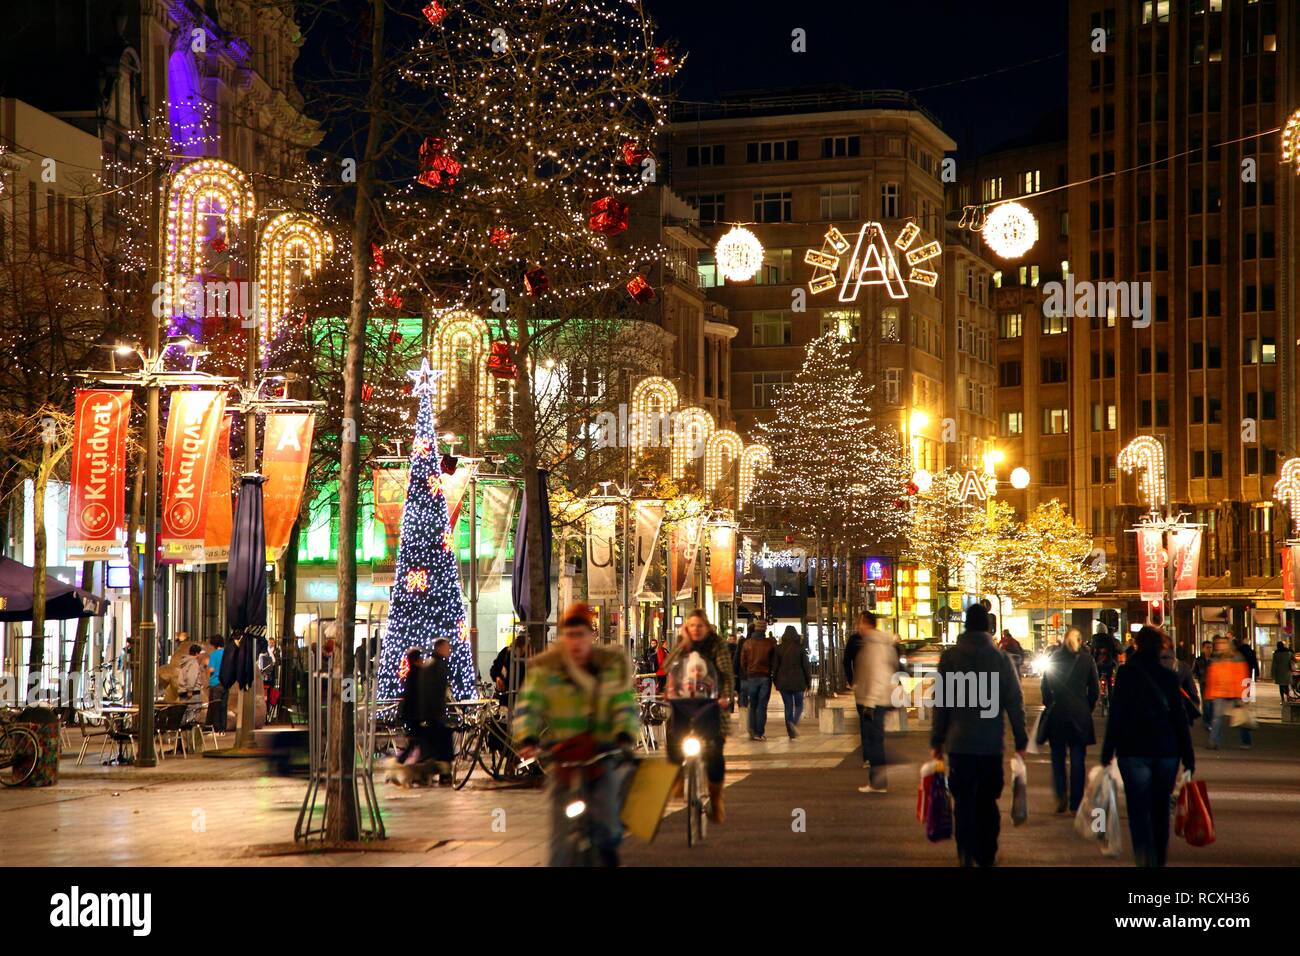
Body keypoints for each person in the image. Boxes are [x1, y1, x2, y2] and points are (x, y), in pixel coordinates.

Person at [514, 602, 638, 867]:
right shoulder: (547, 671)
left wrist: (624, 735)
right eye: (569, 635)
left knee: (608, 827)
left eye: (580, 635)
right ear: (562, 638)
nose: (575, 643)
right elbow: (529, 706)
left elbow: (624, 703)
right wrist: (528, 738)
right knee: (560, 839)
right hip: (565, 759)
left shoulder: (609, 667)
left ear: (590, 637)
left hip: (601, 756)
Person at [930, 603, 1027, 867]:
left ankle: (965, 850)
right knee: (987, 801)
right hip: (990, 745)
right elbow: (1014, 700)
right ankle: (986, 853)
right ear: (988, 626)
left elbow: (942, 701)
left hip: (959, 744)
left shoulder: (950, 658)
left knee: (962, 801)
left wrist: (937, 740)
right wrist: (1021, 738)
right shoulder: (1000, 659)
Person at [1100, 626, 1196, 867]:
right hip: (1166, 749)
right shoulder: (1168, 676)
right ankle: (1159, 857)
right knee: (1160, 807)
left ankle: (1143, 852)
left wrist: (1108, 749)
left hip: (1133, 748)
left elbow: (1117, 713)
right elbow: (1179, 717)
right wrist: (1188, 755)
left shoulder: (1126, 673)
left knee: (1137, 806)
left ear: (1138, 645)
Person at [662, 609, 734, 823]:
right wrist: (682, 643)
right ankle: (677, 776)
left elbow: (727, 675)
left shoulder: (717, 645)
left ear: (707, 627)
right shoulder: (682, 644)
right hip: (684, 703)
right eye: (691, 625)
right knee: (673, 735)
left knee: (714, 752)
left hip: (711, 704)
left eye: (699, 625)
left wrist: (726, 697)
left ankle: (716, 797)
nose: (695, 629)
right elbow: (667, 667)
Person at [1040, 626, 1099, 813]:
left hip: (1058, 714)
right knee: (1077, 759)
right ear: (1080, 641)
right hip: (1079, 714)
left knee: (1057, 757)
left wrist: (1051, 703)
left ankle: (1060, 796)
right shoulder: (1087, 660)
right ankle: (1076, 801)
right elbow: (1095, 690)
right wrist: (1086, 707)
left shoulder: (1054, 658)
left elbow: (1045, 686)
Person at [844, 610, 898, 793]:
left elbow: (878, 676)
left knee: (874, 740)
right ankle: (878, 780)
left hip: (873, 701)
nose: (859, 627)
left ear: (868, 624)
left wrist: (870, 702)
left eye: (861, 624)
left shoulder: (874, 645)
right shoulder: (880, 642)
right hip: (875, 698)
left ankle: (878, 781)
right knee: (874, 739)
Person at [416, 639, 456, 783]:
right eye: (447, 647)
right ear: (440, 648)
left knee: (432, 745)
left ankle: (430, 774)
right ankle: (443, 774)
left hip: (430, 713)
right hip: (435, 713)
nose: (449, 650)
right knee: (442, 744)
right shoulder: (437, 666)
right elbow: (435, 691)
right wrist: (437, 711)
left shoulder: (431, 664)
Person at [1205, 634, 1252, 750]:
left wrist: (1244, 696)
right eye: (1218, 644)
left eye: (1222, 644)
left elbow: (1243, 676)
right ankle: (1214, 741)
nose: (1219, 646)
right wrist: (1209, 694)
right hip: (1219, 692)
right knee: (1217, 718)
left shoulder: (1237, 657)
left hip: (1235, 691)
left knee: (1241, 718)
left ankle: (1246, 741)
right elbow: (1211, 678)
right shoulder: (1215, 658)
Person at [739, 621, 778, 740]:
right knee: (762, 706)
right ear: (765, 629)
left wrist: (747, 672)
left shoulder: (747, 643)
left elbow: (743, 661)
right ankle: (759, 733)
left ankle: (751, 730)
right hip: (765, 677)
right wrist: (771, 672)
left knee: (753, 704)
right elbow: (774, 661)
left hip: (751, 676)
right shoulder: (769, 643)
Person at [773, 626, 812, 739]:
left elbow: (775, 667)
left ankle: (790, 731)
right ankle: (793, 723)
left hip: (783, 682)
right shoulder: (800, 648)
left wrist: (775, 681)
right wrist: (808, 682)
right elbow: (806, 666)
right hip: (798, 681)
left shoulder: (778, 648)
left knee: (788, 706)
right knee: (799, 705)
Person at [1160, 634, 1201, 727]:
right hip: (1177, 713)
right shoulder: (1182, 666)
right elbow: (1192, 693)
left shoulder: (1141, 668)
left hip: (1152, 718)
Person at [396, 648, 426, 764]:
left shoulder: (412, 673)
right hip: (415, 714)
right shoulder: (417, 673)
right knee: (417, 742)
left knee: (415, 742)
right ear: (416, 660)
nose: (423, 660)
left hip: (411, 714)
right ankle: (401, 763)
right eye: (420, 658)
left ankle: (404, 763)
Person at [490, 635, 528, 708]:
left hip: (520, 697)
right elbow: (494, 669)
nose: (518, 653)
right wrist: (497, 678)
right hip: (504, 697)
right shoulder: (505, 653)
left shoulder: (526, 658)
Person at [177, 644, 206, 726]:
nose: (201, 655)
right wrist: (190, 690)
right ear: (196, 653)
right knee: (192, 716)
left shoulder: (185, 662)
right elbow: (191, 677)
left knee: (184, 715)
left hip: (182, 692)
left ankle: (182, 736)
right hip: (192, 693)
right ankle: (190, 737)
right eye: (200, 653)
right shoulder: (193, 663)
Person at [1093, 625, 1119, 701]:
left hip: (1097, 665)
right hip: (1108, 664)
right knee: (1110, 683)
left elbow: (1091, 652)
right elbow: (1114, 651)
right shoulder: (1110, 639)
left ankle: (1097, 696)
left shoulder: (1094, 639)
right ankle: (1111, 700)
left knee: (1095, 681)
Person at [206, 636, 227, 731]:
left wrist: (206, 665)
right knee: (224, 706)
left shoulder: (214, 655)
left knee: (215, 707)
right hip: (225, 683)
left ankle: (216, 728)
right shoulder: (227, 654)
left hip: (215, 683)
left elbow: (212, 669)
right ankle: (223, 728)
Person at [1192, 640, 1213, 729]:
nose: (1209, 649)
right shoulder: (1198, 660)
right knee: (1206, 704)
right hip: (1204, 683)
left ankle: (1211, 721)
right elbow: (1194, 671)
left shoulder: (1214, 659)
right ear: (1203, 649)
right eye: (1207, 647)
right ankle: (1207, 722)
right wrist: (1199, 677)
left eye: (1210, 647)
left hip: (1213, 684)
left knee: (1212, 704)